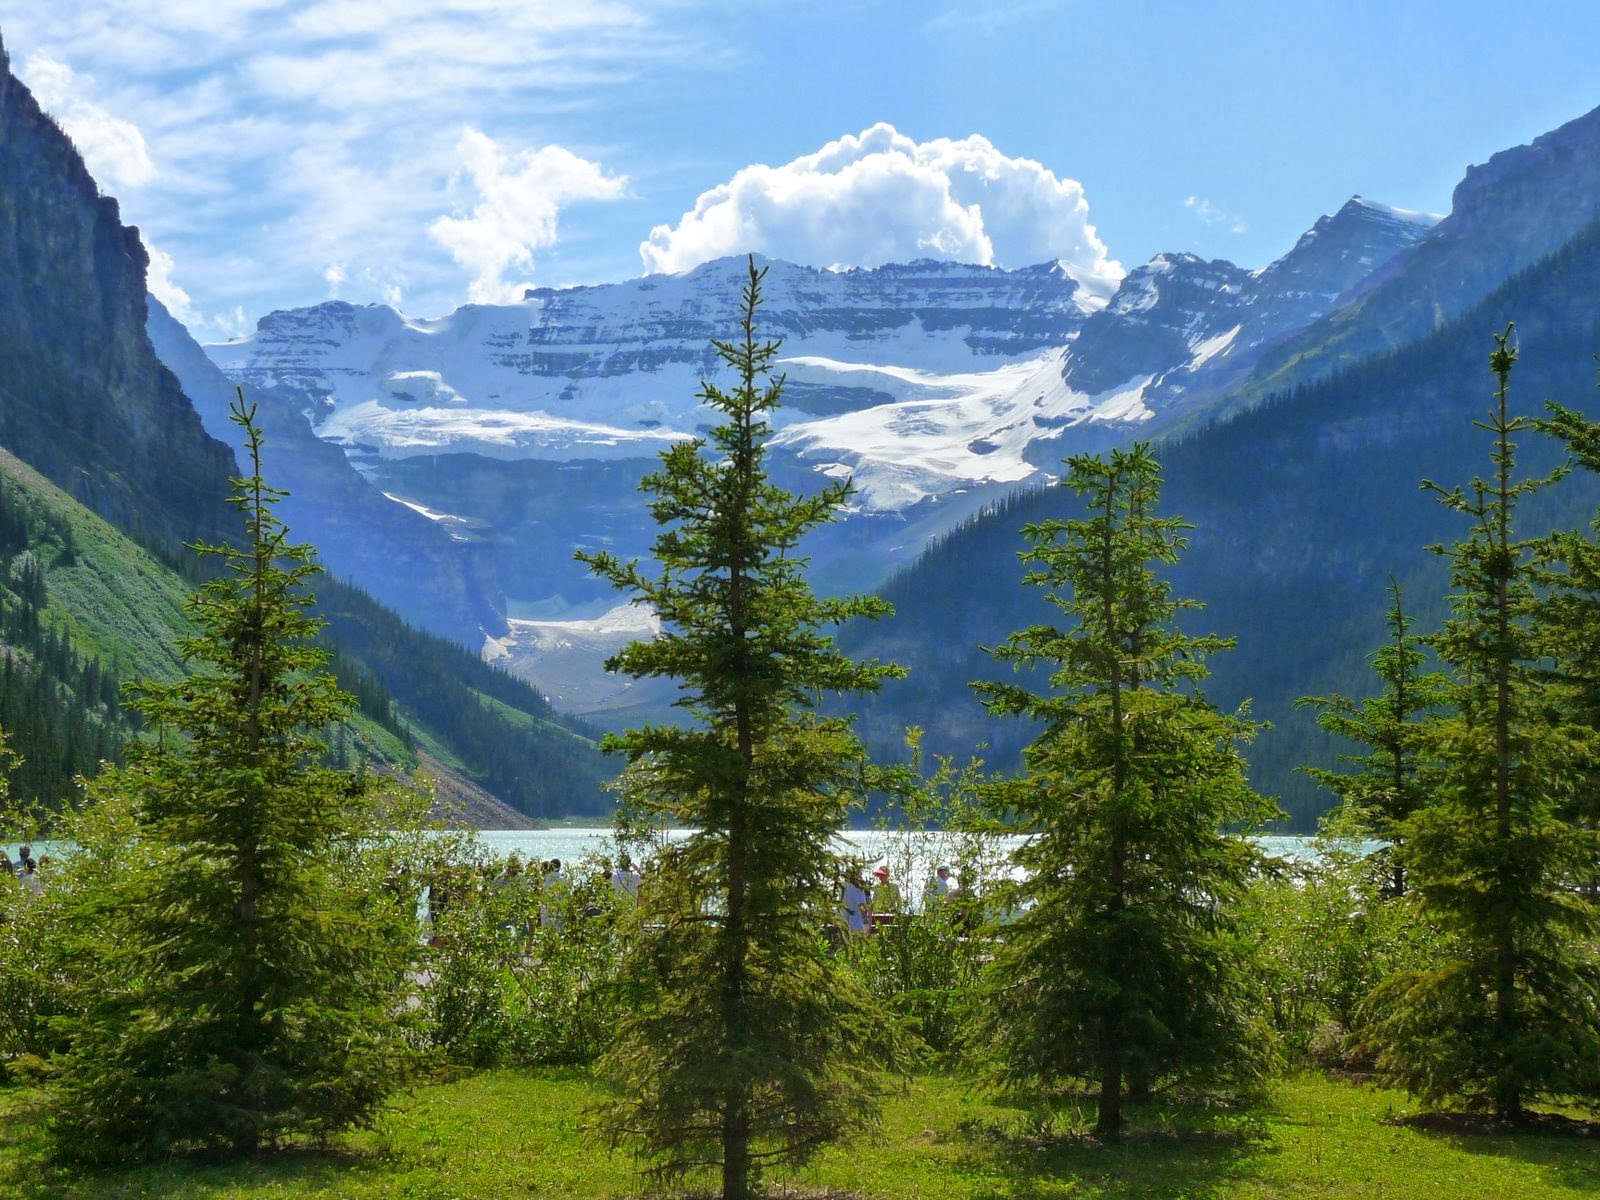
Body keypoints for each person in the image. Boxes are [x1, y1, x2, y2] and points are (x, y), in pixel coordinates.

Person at [868, 865, 902, 931]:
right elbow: (873, 901)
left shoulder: (894, 887)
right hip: (878, 914)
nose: (880, 877)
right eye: (879, 875)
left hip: (891, 914)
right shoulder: (877, 888)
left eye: (882, 875)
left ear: (887, 876)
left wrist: (898, 913)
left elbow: (899, 901)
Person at [841, 870, 870, 936]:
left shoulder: (842, 887)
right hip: (856, 924)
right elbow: (862, 906)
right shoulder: (858, 888)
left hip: (843, 925)